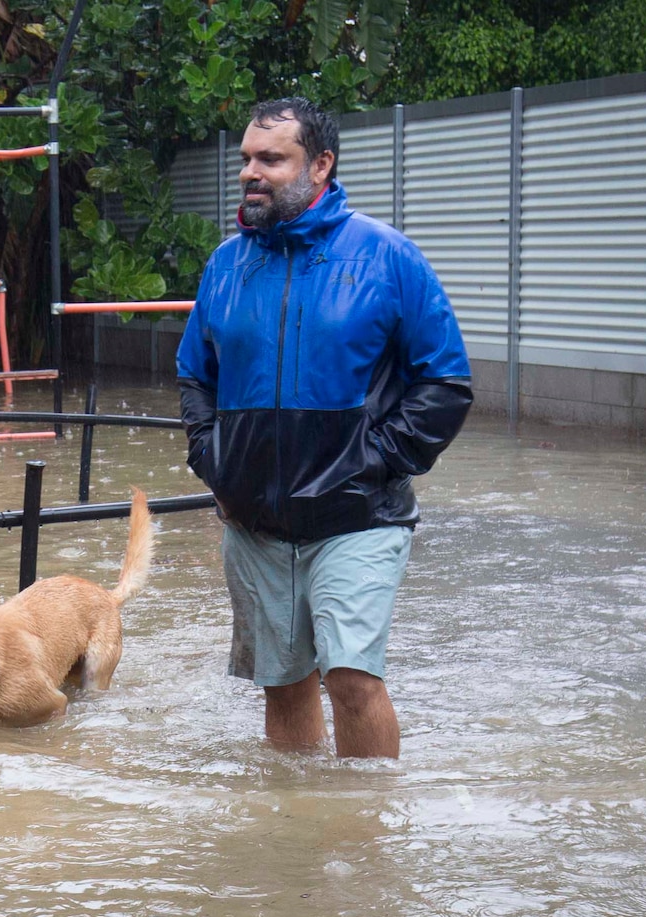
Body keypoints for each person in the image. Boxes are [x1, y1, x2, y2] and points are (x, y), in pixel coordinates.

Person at [176, 97, 473, 759]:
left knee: (351, 679)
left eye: (271, 159)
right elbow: (195, 375)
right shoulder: (226, 264)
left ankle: (368, 818)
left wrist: (373, 462)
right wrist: (214, 462)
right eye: (247, 159)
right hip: (254, 522)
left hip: (357, 517)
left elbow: (446, 383)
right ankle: (300, 818)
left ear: (321, 164)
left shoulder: (388, 257)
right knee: (283, 685)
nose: (250, 172)